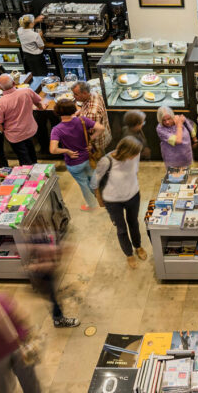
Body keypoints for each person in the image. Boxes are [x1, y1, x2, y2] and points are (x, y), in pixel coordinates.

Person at [94, 136, 147, 269]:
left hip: (133, 195)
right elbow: (95, 181)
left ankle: (138, 246)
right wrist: (99, 199)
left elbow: (134, 172)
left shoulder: (135, 155)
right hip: (113, 200)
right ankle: (129, 254)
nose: (136, 156)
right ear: (125, 151)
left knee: (133, 223)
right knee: (121, 229)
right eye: (133, 154)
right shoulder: (106, 161)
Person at [21, 224, 79, 328]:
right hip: (42, 277)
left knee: (53, 296)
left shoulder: (38, 238)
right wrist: (47, 264)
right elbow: (33, 264)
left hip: (46, 274)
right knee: (53, 299)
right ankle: (59, 320)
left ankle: (58, 317)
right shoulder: (33, 244)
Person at [49, 98, 97, 210]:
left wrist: (67, 151)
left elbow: (53, 150)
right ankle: (98, 196)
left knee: (83, 184)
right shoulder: (82, 120)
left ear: (57, 112)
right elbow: (101, 128)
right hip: (88, 157)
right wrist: (91, 141)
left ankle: (92, 205)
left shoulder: (57, 129)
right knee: (92, 178)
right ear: (73, 109)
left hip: (74, 162)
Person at [0, 74, 44, 165]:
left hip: (14, 135)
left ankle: (27, 170)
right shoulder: (27, 91)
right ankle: (35, 165)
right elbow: (38, 103)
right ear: (13, 83)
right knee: (31, 150)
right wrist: (41, 108)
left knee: (23, 157)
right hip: (29, 129)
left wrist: (3, 131)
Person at [72, 81, 111, 156]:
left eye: (76, 94)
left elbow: (89, 133)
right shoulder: (94, 93)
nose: (73, 96)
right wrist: (77, 113)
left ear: (84, 93)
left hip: (96, 144)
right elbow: (85, 108)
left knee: (98, 159)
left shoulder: (92, 113)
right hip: (105, 133)